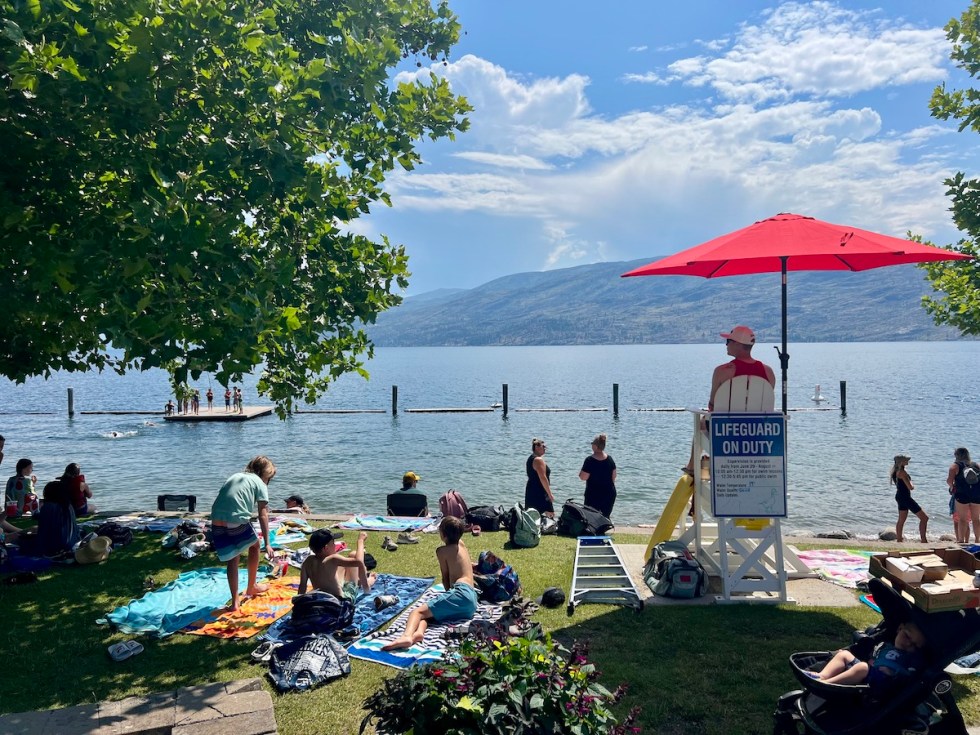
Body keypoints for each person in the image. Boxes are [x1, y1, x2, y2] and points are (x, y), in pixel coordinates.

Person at [684, 326, 776, 475]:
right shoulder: (768, 372)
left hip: (725, 431)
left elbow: (713, 403)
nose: (726, 344)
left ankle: (691, 467)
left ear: (738, 344)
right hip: (757, 433)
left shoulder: (722, 371)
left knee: (701, 421)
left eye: (728, 341)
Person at [382, 516, 477, 651]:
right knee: (431, 614)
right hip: (471, 602)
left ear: (442, 534)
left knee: (417, 612)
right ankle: (419, 633)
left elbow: (445, 578)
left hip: (460, 593)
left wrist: (447, 595)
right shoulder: (461, 543)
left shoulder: (442, 551)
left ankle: (407, 636)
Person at [210, 456, 277, 612]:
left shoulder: (236, 476)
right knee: (255, 546)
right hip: (235, 518)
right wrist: (267, 542)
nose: (268, 482)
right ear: (265, 475)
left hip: (216, 518)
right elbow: (263, 514)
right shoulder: (260, 483)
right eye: (269, 478)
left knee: (233, 558)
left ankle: (235, 603)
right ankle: (252, 587)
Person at [808, 621, 926, 686]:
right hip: (871, 671)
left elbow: (912, 675)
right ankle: (822, 675)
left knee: (862, 667)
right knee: (844, 654)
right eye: (907, 636)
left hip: (884, 681)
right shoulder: (885, 644)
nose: (908, 644)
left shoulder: (912, 657)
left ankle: (825, 684)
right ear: (900, 629)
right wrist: (871, 659)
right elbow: (873, 655)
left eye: (915, 645)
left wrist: (895, 672)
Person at [298, 529, 376, 601]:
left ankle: (360, 582)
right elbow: (359, 561)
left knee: (344, 566)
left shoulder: (308, 561)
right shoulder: (333, 559)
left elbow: (302, 586)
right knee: (353, 555)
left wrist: (299, 603)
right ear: (326, 548)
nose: (335, 545)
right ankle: (366, 587)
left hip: (322, 600)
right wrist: (360, 540)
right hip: (341, 601)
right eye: (333, 543)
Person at [34, 480, 80, 557]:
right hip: (72, 543)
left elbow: (43, 531)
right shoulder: (69, 506)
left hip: (54, 547)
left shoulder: (48, 507)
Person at [890, 455, 926, 543]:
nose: (908, 461)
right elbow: (910, 487)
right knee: (924, 518)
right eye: (906, 460)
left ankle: (899, 540)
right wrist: (911, 482)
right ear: (901, 462)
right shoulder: (902, 472)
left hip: (900, 496)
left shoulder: (895, 471)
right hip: (905, 497)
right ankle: (923, 540)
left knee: (901, 519)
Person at [579, 433, 617, 517]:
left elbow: (583, 477)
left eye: (592, 444)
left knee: (590, 518)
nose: (591, 445)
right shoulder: (610, 459)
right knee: (604, 519)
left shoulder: (589, 460)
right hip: (609, 493)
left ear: (596, 446)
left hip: (593, 494)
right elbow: (614, 477)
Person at [947, 447, 980, 543]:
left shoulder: (955, 466)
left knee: (962, 519)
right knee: (976, 519)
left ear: (957, 456)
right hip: (976, 495)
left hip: (962, 494)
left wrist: (952, 487)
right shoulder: (976, 465)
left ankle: (961, 540)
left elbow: (949, 481)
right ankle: (978, 540)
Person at [525, 438, 555, 517]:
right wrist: (549, 493)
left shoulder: (531, 458)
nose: (545, 449)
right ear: (537, 447)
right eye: (543, 447)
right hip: (540, 491)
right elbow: (543, 477)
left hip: (531, 489)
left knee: (532, 515)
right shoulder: (538, 460)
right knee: (550, 514)